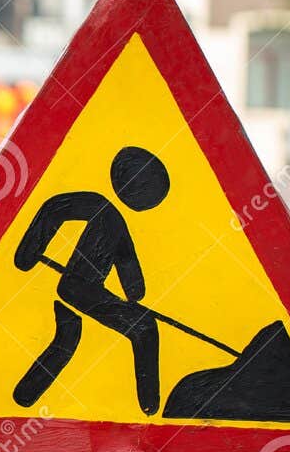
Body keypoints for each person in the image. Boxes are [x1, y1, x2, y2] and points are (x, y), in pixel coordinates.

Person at [12, 145, 172, 416]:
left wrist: (28, 253)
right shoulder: (103, 209)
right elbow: (54, 210)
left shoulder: (109, 216)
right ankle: (149, 406)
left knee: (67, 339)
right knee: (144, 328)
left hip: (83, 290)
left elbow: (131, 278)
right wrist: (28, 252)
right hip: (81, 288)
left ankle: (23, 396)